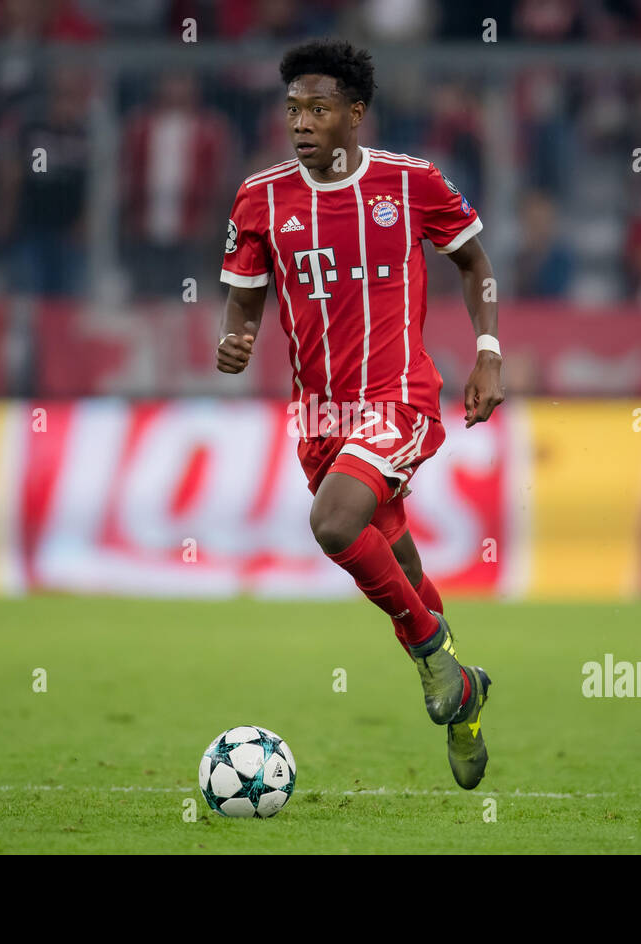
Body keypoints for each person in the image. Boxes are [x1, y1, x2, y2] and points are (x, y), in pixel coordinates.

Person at [215, 39, 503, 789]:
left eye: (317, 109)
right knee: (399, 564)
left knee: (334, 523)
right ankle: (463, 692)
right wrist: (236, 337)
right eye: (292, 109)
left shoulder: (411, 182)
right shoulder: (259, 198)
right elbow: (244, 298)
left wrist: (489, 353)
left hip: (398, 397)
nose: (301, 123)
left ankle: (432, 655)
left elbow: (474, 262)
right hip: (319, 418)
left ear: (354, 113)